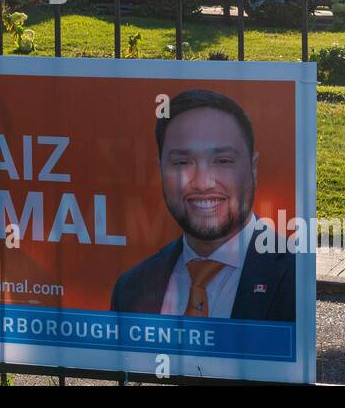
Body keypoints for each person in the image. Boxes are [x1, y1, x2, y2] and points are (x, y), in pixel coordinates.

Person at [109, 89, 294, 321]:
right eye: (182, 162)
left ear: (253, 169)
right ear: (161, 171)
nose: (203, 183)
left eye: (223, 161)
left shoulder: (297, 277)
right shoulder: (130, 288)